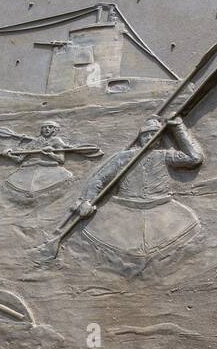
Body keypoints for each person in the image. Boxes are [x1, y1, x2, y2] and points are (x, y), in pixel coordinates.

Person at [68, 115, 203, 275]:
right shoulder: (123, 157)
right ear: (140, 137)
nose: (149, 137)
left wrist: (178, 128)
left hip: (162, 209)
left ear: (158, 140)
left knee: (187, 230)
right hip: (124, 209)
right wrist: (87, 200)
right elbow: (99, 178)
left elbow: (194, 158)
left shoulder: (164, 155)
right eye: (145, 134)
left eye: (153, 134)